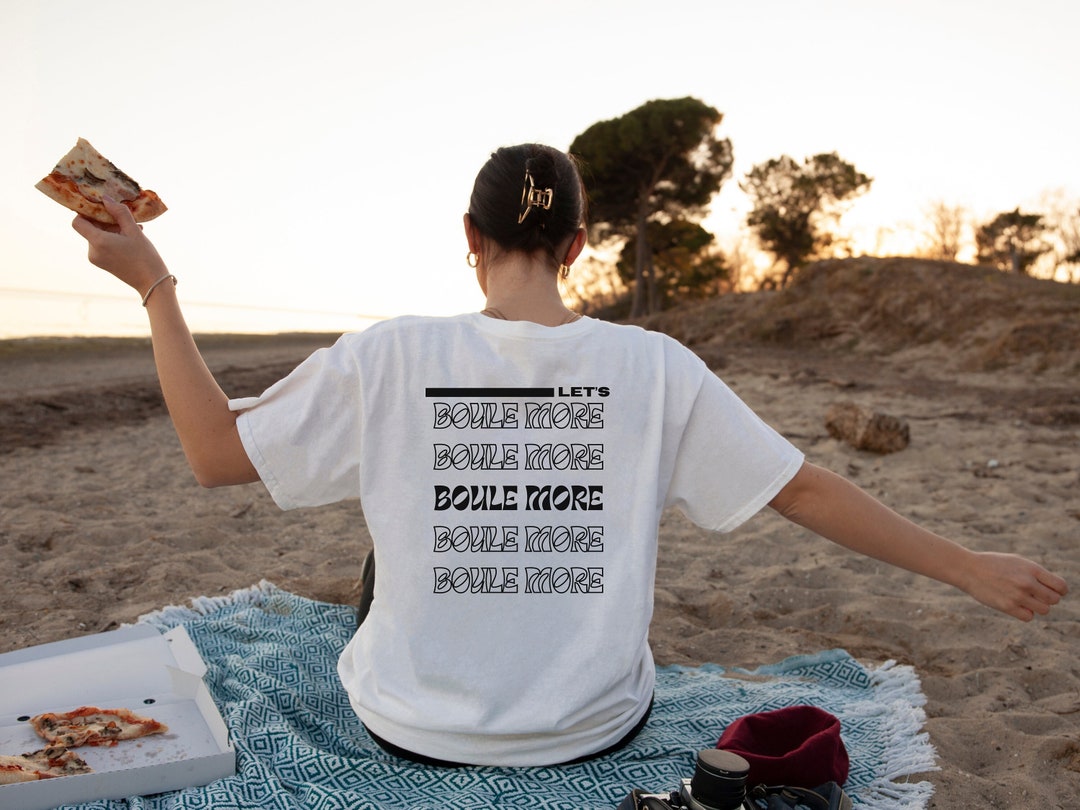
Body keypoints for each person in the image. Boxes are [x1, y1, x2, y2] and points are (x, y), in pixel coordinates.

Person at [72, 143, 1067, 769]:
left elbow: (213, 453)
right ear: (581, 244)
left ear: (471, 237)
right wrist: (967, 566)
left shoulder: (392, 354)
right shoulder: (656, 367)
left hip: (409, 731)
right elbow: (800, 488)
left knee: (391, 553)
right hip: (594, 729)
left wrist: (155, 285)